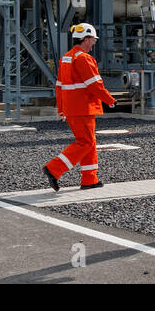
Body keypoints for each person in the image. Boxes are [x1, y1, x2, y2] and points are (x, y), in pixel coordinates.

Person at [43, 23, 116, 192]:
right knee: (85, 142)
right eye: (93, 40)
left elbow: (59, 86)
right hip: (83, 107)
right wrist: (110, 100)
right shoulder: (84, 58)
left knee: (89, 142)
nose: (94, 43)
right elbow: (95, 85)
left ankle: (90, 179)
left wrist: (61, 108)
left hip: (72, 108)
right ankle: (53, 169)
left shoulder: (66, 58)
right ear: (86, 39)